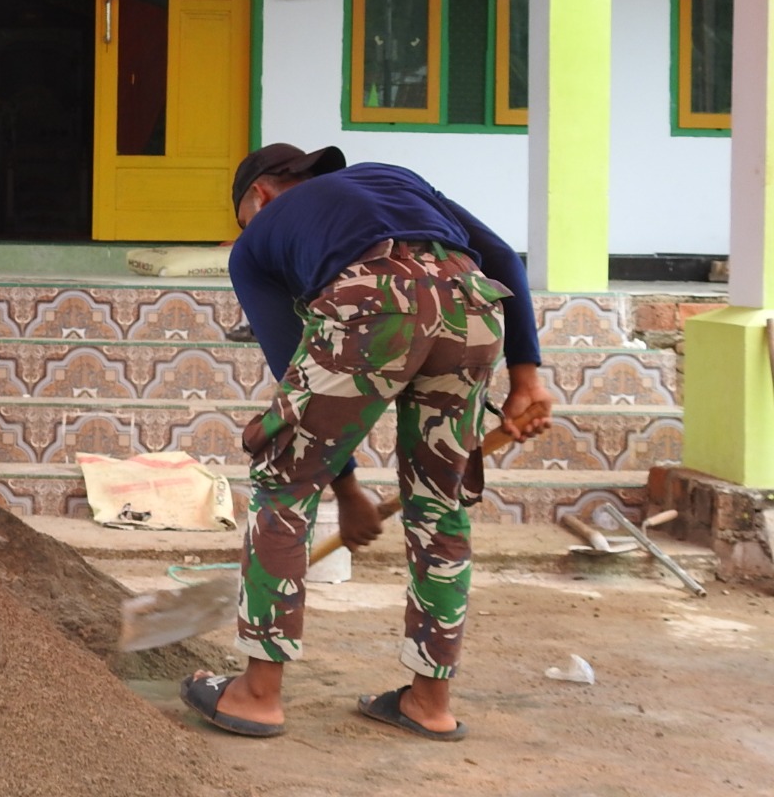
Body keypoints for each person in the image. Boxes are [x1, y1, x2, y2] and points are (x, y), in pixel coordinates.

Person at [180, 143, 553, 742]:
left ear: (260, 197)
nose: (250, 229)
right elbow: (503, 256)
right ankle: (430, 703)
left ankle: (256, 695)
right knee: (441, 502)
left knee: (283, 481)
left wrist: (346, 486)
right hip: (473, 304)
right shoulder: (393, 176)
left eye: (245, 218)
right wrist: (527, 378)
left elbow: (290, 362)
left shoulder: (255, 244)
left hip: (370, 300)